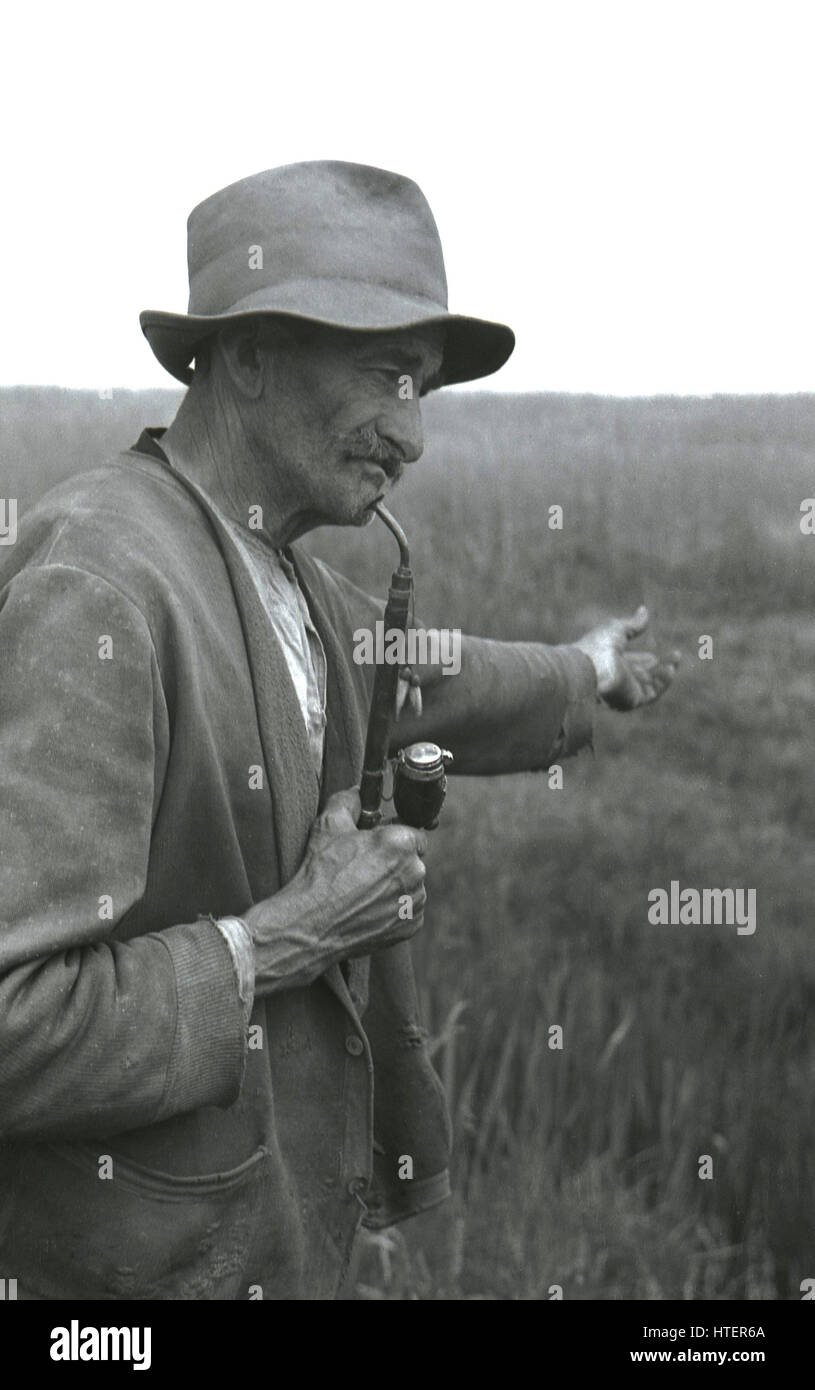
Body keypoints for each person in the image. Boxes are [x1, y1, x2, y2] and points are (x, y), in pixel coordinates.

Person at [0, 161, 678, 1300]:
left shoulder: (273, 567)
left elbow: (424, 678)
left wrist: (585, 670)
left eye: (420, 388)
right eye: (387, 375)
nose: (410, 436)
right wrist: (287, 937)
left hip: (256, 1246)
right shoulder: (100, 586)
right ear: (251, 357)